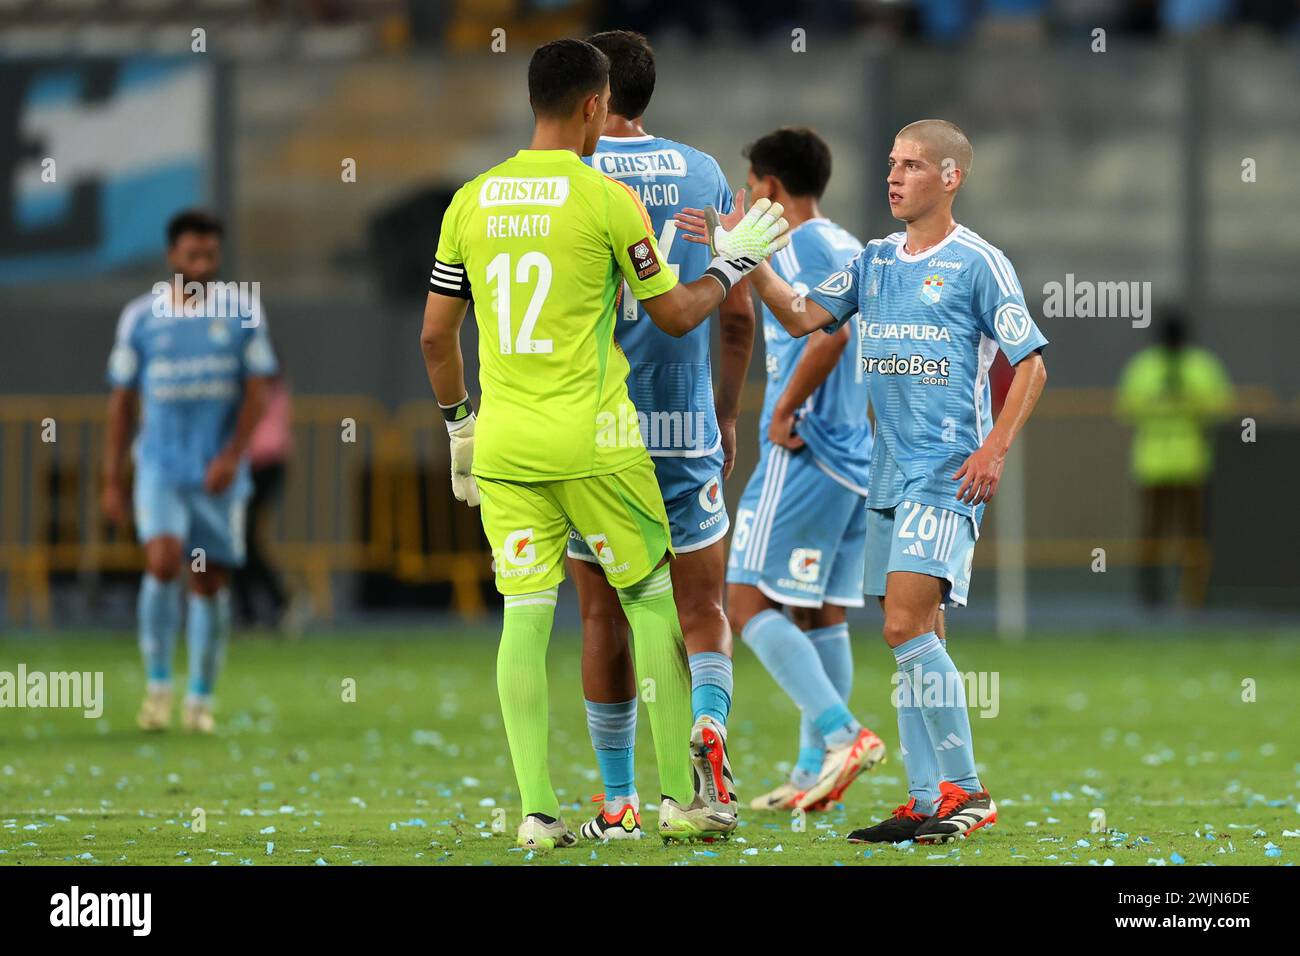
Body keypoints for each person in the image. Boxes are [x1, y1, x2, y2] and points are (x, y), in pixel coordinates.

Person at [418, 38, 790, 849]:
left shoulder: (471, 200)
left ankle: (539, 813)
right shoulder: (603, 199)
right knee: (652, 598)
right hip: (596, 436)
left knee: (525, 613)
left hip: (507, 444)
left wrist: (459, 426)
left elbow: (436, 337)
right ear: (595, 105)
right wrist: (732, 264)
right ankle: (676, 801)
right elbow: (679, 314)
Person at [685, 119, 1048, 843]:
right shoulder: (875, 261)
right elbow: (797, 317)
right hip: (884, 477)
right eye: (891, 163)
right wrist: (744, 255)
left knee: (903, 624)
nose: (894, 176)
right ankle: (924, 799)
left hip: (945, 473)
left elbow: (1031, 361)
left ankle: (966, 792)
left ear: (951, 178)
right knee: (914, 633)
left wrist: (995, 448)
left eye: (912, 165)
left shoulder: (979, 262)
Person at [566, 30, 756, 842]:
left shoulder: (565, 177)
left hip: (593, 426)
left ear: (594, 93)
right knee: (702, 604)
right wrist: (727, 410)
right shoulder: (705, 173)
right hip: (684, 423)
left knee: (604, 617)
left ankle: (619, 799)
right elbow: (739, 312)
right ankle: (706, 734)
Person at [710, 127, 888, 814]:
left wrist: (784, 406)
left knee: (747, 599)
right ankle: (816, 767)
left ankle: (844, 735)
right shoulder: (844, 242)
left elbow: (830, 332)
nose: (748, 197)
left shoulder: (805, 244)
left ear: (771, 189)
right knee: (819, 612)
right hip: (851, 458)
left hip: (808, 449)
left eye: (751, 186)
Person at [102, 209, 278, 733]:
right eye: (191, 255)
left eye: (209, 255)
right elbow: (121, 403)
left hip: (218, 474)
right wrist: (112, 478)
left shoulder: (243, 312)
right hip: (159, 466)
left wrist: (232, 455)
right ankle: (158, 687)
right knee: (161, 561)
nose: (201, 265)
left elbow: (258, 389)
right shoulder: (140, 317)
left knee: (207, 580)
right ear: (172, 256)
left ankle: (199, 697)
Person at [1116, 310, 1232, 608]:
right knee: (1155, 533)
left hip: (1189, 464)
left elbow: (1220, 407)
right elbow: (1128, 408)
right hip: (1156, 465)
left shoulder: (1198, 366)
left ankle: (1193, 595)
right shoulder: (1146, 367)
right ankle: (1152, 595)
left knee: (1191, 534)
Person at [233, 364, 292, 630]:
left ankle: (277, 602)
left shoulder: (264, 389)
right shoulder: (256, 388)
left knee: (242, 538)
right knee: (238, 539)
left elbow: (266, 440)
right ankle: (250, 611)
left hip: (263, 467)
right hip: (249, 467)